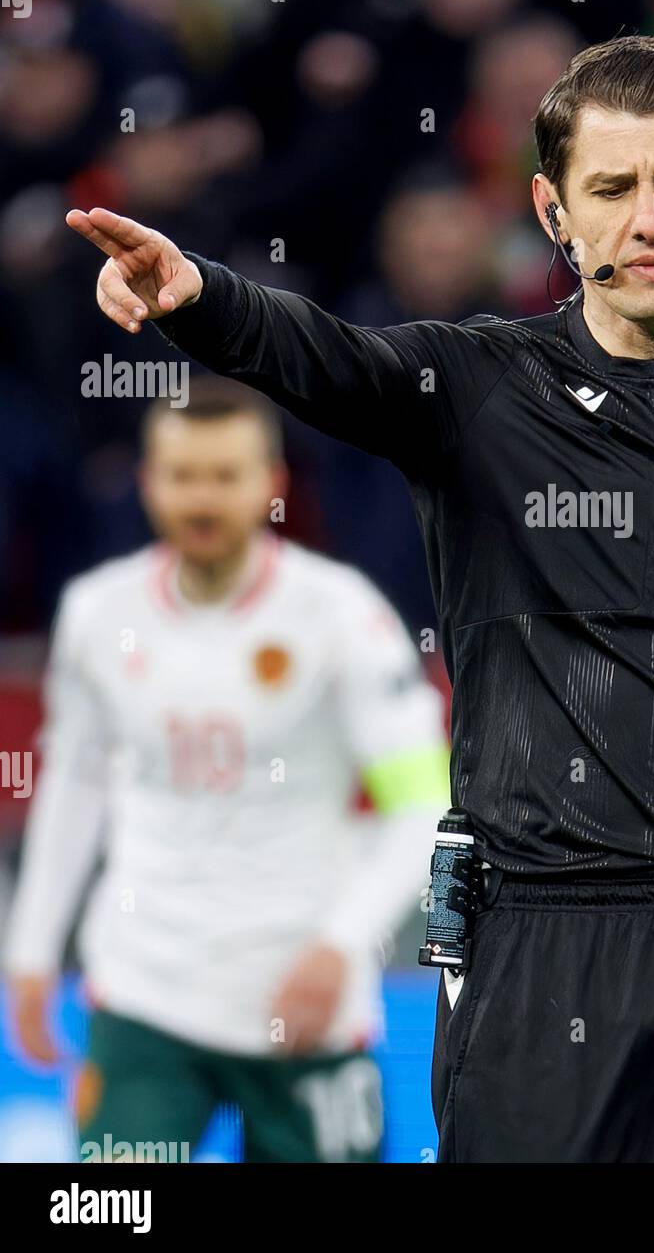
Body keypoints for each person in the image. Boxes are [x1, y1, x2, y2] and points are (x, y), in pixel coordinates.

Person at [63, 34, 654, 1163]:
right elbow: (328, 358)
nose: (650, 218)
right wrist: (198, 297)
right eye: (613, 188)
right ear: (555, 213)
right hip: (540, 957)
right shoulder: (477, 388)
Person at [4, 378, 449, 1162]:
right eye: (182, 475)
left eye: (225, 475)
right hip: (144, 996)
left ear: (270, 485)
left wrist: (344, 943)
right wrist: (33, 946)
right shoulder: (98, 615)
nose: (202, 498)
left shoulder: (342, 616)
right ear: (147, 483)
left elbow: (425, 799)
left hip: (305, 1000)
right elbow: (74, 785)